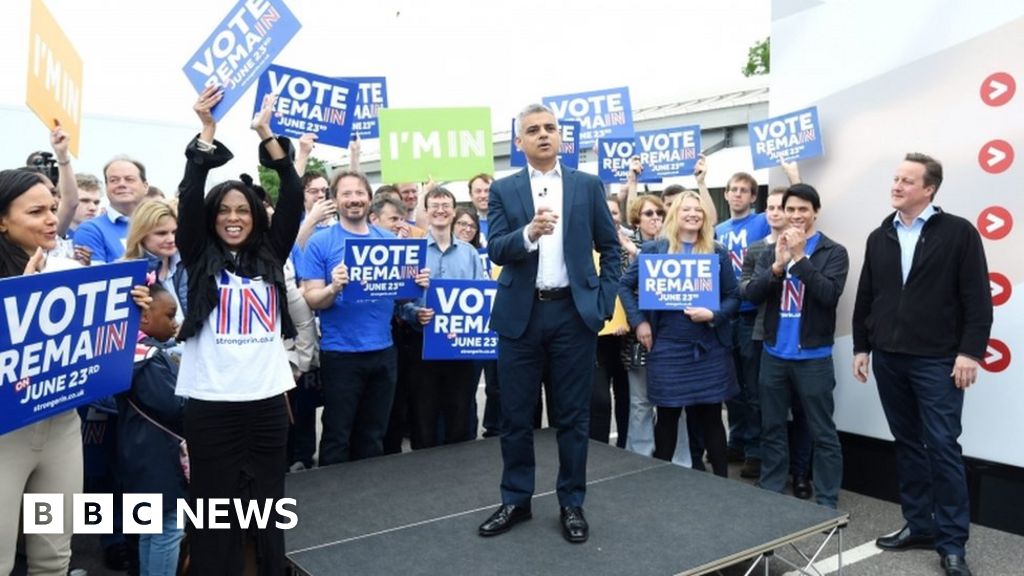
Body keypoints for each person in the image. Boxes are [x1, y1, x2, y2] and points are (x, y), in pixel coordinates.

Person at [477, 103, 619, 544]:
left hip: (573, 315)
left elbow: (611, 248)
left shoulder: (587, 185)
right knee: (516, 416)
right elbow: (496, 248)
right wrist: (529, 233)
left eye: (550, 128)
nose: (543, 134)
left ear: (560, 137)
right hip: (520, 316)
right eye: (533, 129)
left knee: (573, 417)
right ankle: (516, 500)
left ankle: (571, 502)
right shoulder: (503, 190)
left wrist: (601, 303)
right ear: (519, 142)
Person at [174, 87, 301, 576]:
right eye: (224, 211)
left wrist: (266, 133)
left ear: (255, 217)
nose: (233, 218)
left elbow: (292, 194)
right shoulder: (196, 255)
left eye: (242, 210)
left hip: (267, 404)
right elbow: (189, 195)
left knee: (268, 508)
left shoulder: (271, 254)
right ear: (213, 218)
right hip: (210, 405)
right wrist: (207, 131)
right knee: (214, 512)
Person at [0, 167, 150, 576]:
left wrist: (131, 308)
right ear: (3, 221)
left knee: (54, 558)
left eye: (52, 208)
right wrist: (19, 300)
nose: (52, 219)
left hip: (63, 427)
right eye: (36, 212)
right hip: (5, 436)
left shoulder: (69, 271)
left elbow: (101, 345)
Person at [852, 153, 992, 576]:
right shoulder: (880, 235)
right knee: (908, 443)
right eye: (895, 178)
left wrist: (970, 352)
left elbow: (977, 299)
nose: (896, 185)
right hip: (889, 358)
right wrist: (861, 347)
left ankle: (952, 544)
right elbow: (867, 295)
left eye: (907, 181)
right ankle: (919, 525)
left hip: (938, 361)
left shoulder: (959, 233)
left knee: (943, 447)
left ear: (929, 189)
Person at [300, 169, 430, 464]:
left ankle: (368, 492)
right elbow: (311, 298)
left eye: (359, 193)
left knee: (373, 435)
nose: (354, 199)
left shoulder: (389, 240)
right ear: (335, 200)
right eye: (346, 194)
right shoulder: (320, 242)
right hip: (340, 354)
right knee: (337, 434)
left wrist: (416, 285)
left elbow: (400, 297)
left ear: (369, 200)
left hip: (383, 351)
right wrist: (334, 287)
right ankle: (334, 490)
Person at [619, 191, 739, 477]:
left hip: (709, 347)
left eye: (698, 210)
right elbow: (624, 285)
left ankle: (723, 483)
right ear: (675, 214)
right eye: (686, 209)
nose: (693, 214)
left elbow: (734, 296)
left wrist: (713, 314)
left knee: (712, 417)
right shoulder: (655, 250)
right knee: (668, 416)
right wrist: (639, 323)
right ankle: (662, 483)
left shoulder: (717, 251)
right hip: (667, 347)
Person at [745, 184, 848, 509]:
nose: (795, 215)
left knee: (822, 431)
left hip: (813, 357)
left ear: (815, 212)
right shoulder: (769, 251)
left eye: (803, 209)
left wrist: (800, 258)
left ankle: (827, 501)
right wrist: (777, 267)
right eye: (790, 209)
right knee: (772, 427)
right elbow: (751, 294)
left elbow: (828, 295)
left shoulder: (833, 252)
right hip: (774, 354)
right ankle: (771, 490)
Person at [408, 187, 488, 447]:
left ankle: (459, 467)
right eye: (435, 205)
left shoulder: (470, 253)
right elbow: (400, 302)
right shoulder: (413, 251)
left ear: (454, 212)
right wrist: (415, 313)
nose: (440, 210)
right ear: (426, 211)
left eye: (445, 206)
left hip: (459, 346)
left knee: (459, 413)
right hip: (422, 343)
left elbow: (481, 297)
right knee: (424, 416)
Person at [116, 283, 186, 576]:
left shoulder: (125, 353)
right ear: (144, 317)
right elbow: (174, 406)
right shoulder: (148, 358)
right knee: (168, 529)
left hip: (138, 455)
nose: (175, 322)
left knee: (150, 530)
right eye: (169, 315)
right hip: (157, 459)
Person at [716, 171, 771, 479]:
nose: (737, 194)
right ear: (725, 194)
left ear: (753, 197)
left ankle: (755, 451)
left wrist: (793, 174)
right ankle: (735, 441)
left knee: (752, 387)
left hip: (751, 314)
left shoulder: (761, 222)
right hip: (727, 315)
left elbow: (791, 212)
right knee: (732, 386)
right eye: (733, 189)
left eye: (743, 190)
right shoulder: (719, 230)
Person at [619, 193, 666, 457]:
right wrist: (638, 322)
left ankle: (675, 457)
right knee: (640, 401)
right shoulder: (625, 250)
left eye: (660, 213)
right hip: (638, 333)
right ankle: (640, 455)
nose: (655, 218)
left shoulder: (672, 245)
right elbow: (624, 288)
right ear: (637, 219)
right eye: (649, 213)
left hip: (669, 333)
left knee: (674, 401)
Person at [123, 199, 188, 336]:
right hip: (157, 348)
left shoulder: (187, 264)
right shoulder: (126, 273)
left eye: (174, 232)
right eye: (161, 233)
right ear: (141, 235)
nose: (171, 239)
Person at [74, 152, 151, 264]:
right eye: (114, 180)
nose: (121, 184)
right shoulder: (90, 230)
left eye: (129, 179)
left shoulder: (158, 225)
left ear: (145, 186)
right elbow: (96, 274)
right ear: (106, 187)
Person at [68, 173, 102, 239]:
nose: (93, 208)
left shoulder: (102, 237)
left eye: (96, 202)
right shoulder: (54, 236)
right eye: (85, 201)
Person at [468, 173, 493, 241]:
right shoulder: (465, 226)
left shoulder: (506, 222)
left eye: (487, 191)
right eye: (478, 191)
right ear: (471, 195)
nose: (483, 196)